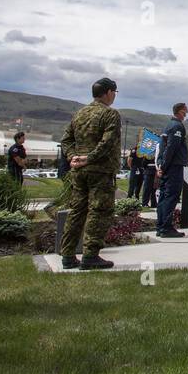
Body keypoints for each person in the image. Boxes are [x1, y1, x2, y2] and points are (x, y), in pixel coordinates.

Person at [59, 78, 122, 269]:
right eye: (114, 93)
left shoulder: (80, 114)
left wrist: (73, 157)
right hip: (100, 170)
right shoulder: (110, 114)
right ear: (109, 92)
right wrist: (90, 158)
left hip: (79, 170)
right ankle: (90, 255)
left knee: (77, 211)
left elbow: (66, 140)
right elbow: (108, 142)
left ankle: (68, 255)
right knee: (99, 211)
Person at [154, 103, 188, 239]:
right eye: (185, 111)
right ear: (180, 112)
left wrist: (161, 165)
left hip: (168, 166)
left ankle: (161, 226)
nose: (186, 114)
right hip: (173, 166)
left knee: (164, 196)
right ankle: (166, 228)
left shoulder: (169, 125)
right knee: (171, 196)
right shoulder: (177, 127)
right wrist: (163, 165)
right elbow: (171, 148)